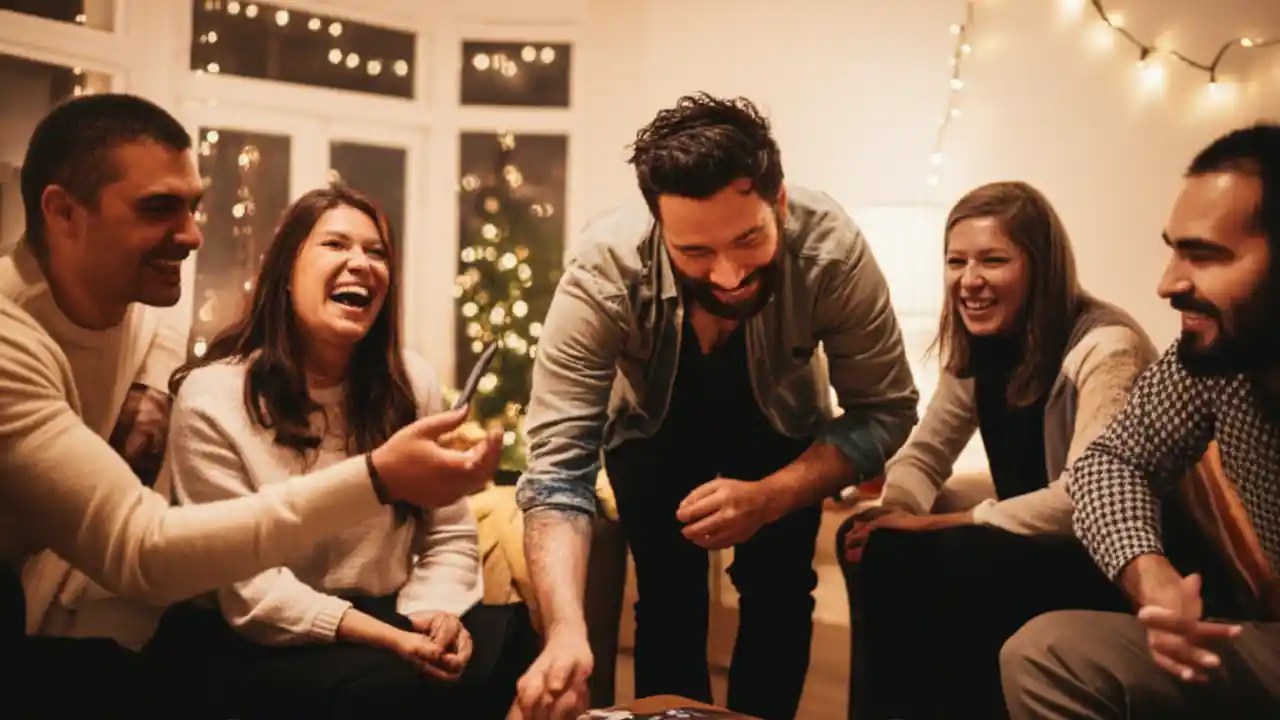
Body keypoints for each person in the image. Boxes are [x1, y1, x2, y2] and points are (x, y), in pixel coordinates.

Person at [0, 94, 502, 713]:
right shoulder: (13, 345)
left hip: (129, 617)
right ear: (62, 212)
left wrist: (431, 612)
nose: (191, 234)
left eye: (194, 207)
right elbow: (141, 547)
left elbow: (448, 534)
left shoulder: (155, 310)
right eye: (159, 208)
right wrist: (376, 477)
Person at [514, 93, 919, 720]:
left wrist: (772, 496)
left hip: (782, 434)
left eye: (749, 239)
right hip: (649, 433)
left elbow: (887, 410)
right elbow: (557, 474)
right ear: (657, 226)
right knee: (668, 600)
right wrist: (566, 630)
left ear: (779, 202)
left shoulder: (832, 251)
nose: (728, 275)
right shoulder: (602, 274)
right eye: (695, 253)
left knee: (780, 595)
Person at [149, 185, 535, 718]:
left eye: (376, 253)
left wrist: (437, 614)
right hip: (258, 635)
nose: (361, 263)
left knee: (513, 640)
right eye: (336, 245)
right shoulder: (212, 396)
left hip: (387, 616)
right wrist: (389, 639)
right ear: (286, 272)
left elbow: (447, 531)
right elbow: (249, 591)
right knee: (390, 690)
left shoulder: (410, 381)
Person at [834, 181, 1156, 719]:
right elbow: (925, 453)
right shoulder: (980, 347)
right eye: (956, 261)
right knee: (870, 542)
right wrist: (894, 513)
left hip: (1108, 559)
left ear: (1041, 267)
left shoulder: (1105, 347)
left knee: (963, 557)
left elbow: (1082, 503)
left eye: (993, 260)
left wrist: (939, 524)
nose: (970, 280)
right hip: (1023, 542)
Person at [999, 124, 1280, 719]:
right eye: (1175, 249)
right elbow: (1111, 460)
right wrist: (1148, 575)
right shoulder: (1213, 363)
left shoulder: (1102, 341)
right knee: (1046, 653)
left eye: (1204, 255)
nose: (1168, 283)